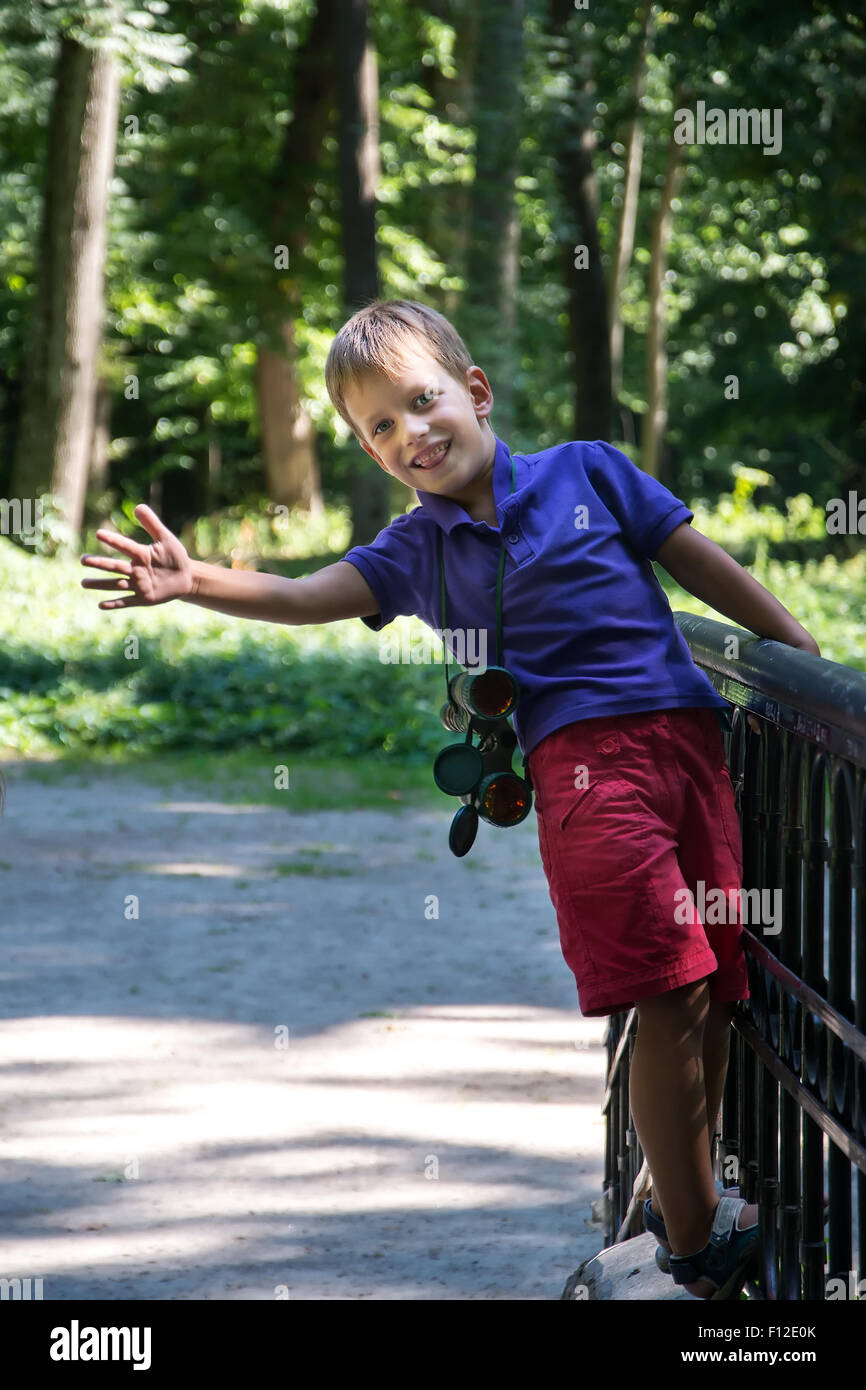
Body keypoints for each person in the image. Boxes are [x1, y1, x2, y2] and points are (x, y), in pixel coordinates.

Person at [81, 298, 821, 1300]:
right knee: (665, 981)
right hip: (584, 778)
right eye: (378, 427)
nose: (408, 435)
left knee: (714, 983)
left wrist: (816, 675)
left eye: (421, 402)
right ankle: (692, 1238)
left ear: (473, 392)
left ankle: (682, 1201)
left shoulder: (588, 472)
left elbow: (706, 572)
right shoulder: (410, 552)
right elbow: (303, 596)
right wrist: (192, 580)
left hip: (693, 747)